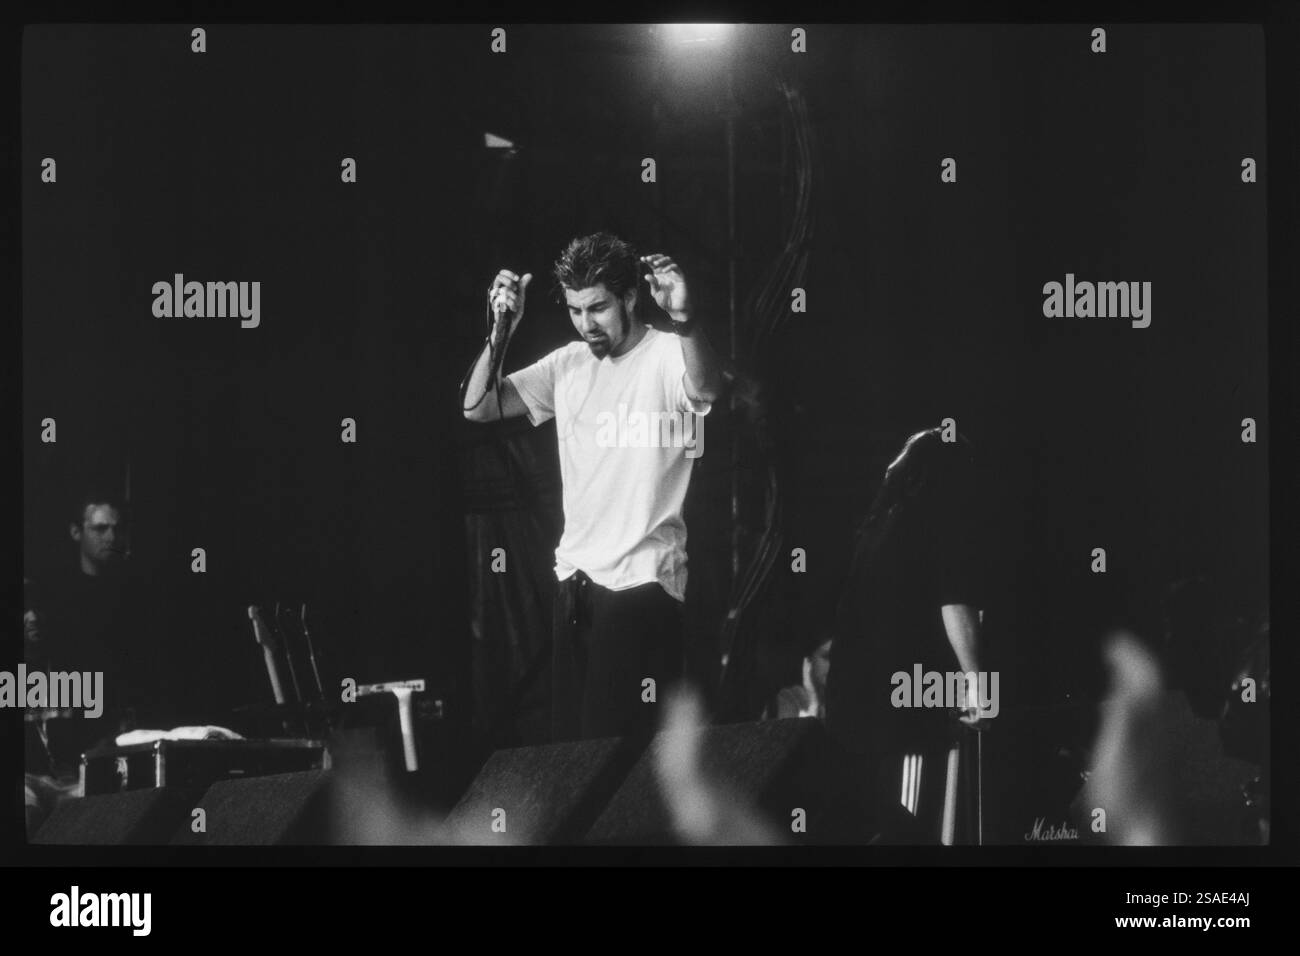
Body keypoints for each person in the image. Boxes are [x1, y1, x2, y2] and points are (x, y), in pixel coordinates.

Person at [462, 232, 724, 741]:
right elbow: (478, 407)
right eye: (577, 310)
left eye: (598, 308)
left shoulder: (668, 353)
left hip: (643, 583)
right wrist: (501, 329)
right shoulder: (568, 364)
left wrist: (686, 320)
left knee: (623, 756)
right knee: (573, 757)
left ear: (629, 298)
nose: (587, 324)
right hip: (576, 584)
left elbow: (708, 388)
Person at [824, 427, 990, 843]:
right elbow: (956, 608)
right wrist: (978, 686)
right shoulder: (944, 522)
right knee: (911, 832)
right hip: (903, 716)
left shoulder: (877, 530)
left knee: (878, 828)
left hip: (850, 718)